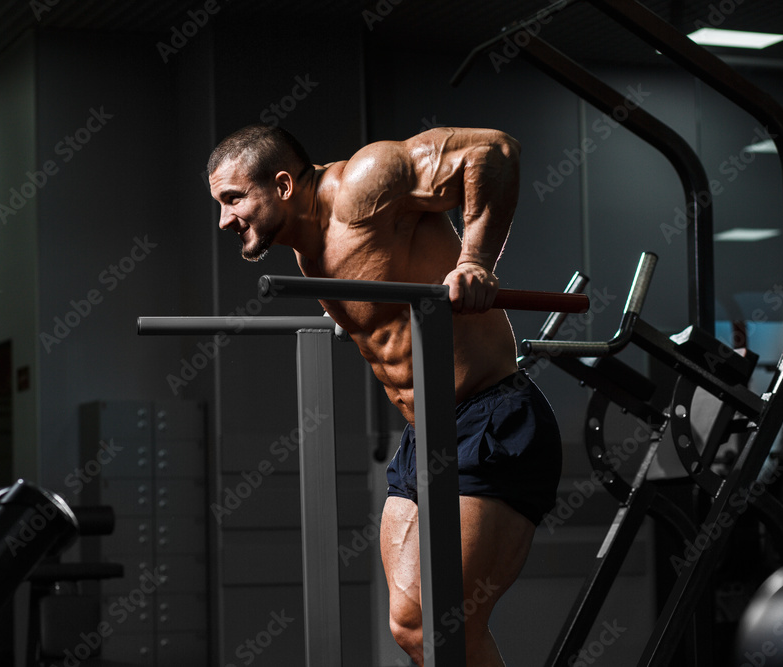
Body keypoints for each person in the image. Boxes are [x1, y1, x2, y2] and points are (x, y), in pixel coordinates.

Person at [207, 124, 562, 667]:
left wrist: (475, 262)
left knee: (440, 623)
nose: (225, 219)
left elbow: (494, 151)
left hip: (490, 418)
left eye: (233, 199)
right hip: (426, 435)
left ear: (281, 184)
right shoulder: (309, 253)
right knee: (411, 628)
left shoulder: (362, 184)